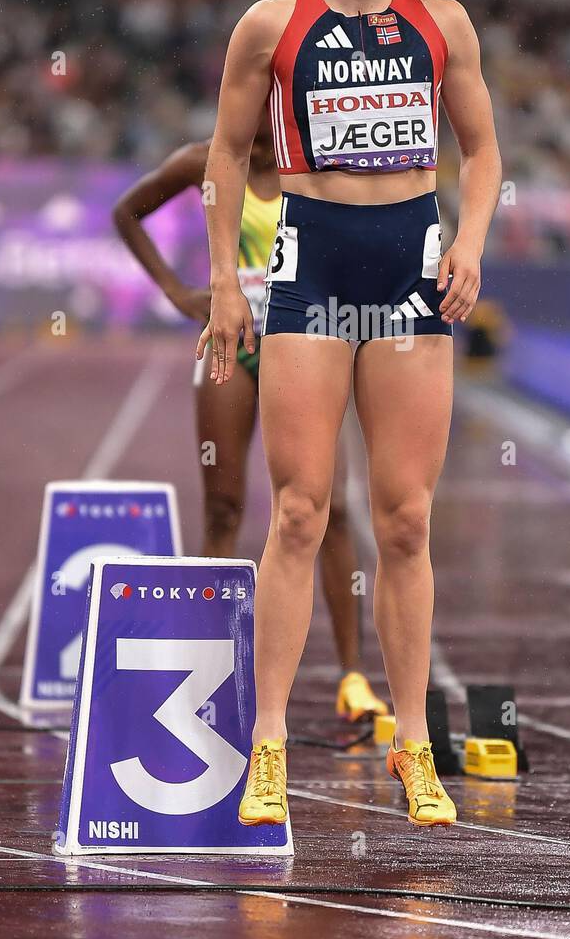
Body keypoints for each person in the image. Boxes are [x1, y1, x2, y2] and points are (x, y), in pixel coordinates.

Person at [197, 0, 502, 828]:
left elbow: (484, 148)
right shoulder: (269, 25)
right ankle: (270, 743)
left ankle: (415, 743)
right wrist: (221, 284)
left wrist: (472, 243)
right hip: (311, 263)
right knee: (298, 511)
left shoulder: (442, 19)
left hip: (410, 267)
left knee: (406, 520)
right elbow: (220, 152)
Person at [113, 121, 390, 725]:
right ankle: (211, 672)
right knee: (223, 509)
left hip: (310, 342)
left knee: (332, 509)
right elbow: (127, 213)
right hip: (231, 346)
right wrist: (175, 292)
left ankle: (353, 677)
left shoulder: (318, 161)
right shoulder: (204, 162)